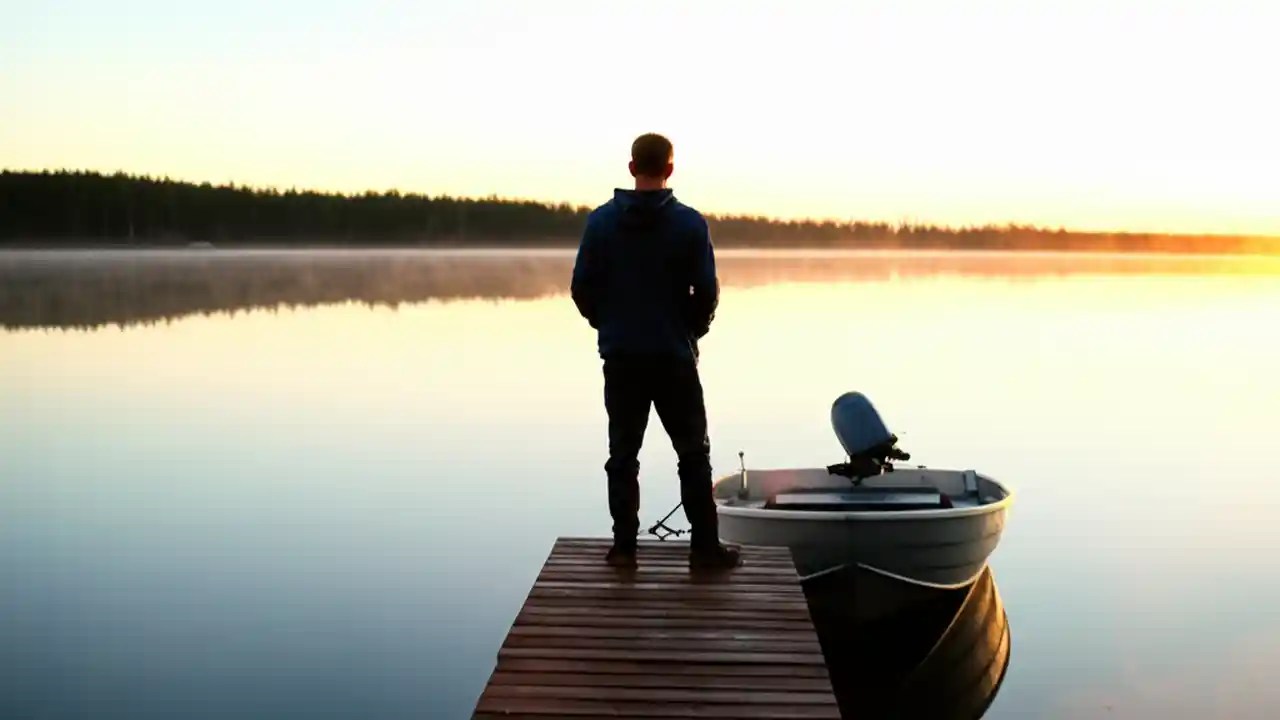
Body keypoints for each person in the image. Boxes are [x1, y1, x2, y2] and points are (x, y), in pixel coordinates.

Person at [570, 133, 742, 570]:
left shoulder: (600, 222)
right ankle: (704, 549)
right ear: (669, 169)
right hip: (673, 357)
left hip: (623, 356)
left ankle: (624, 549)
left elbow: (581, 289)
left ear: (631, 168)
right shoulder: (690, 224)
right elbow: (706, 292)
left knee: (622, 456)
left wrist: (607, 324)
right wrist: (692, 332)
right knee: (693, 455)